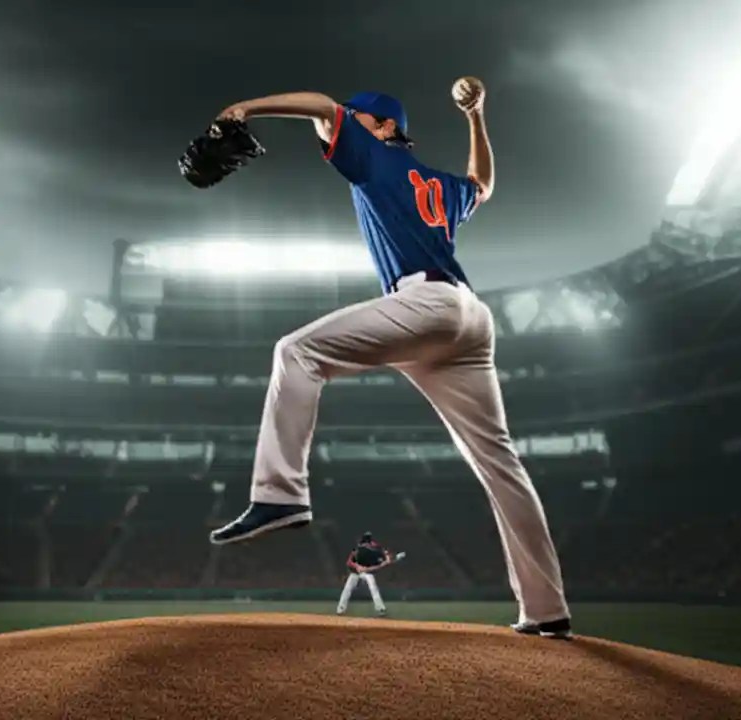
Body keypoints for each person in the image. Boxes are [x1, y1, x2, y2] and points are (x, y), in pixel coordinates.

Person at [206, 79, 573, 639]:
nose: (343, 124)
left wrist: (245, 105)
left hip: (423, 305)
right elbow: (483, 183)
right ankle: (547, 610)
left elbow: (322, 106)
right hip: (469, 321)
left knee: (296, 352)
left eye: (358, 119)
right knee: (502, 466)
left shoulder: (373, 154)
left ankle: (278, 496)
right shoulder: (441, 186)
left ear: (381, 127)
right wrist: (477, 117)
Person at [336, 532, 391, 617]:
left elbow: (381, 561)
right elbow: (349, 562)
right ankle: (340, 609)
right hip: (355, 572)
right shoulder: (357, 549)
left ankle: (380, 609)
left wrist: (385, 559)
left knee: (373, 588)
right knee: (347, 588)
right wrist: (357, 566)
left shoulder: (375, 549)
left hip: (367, 572)